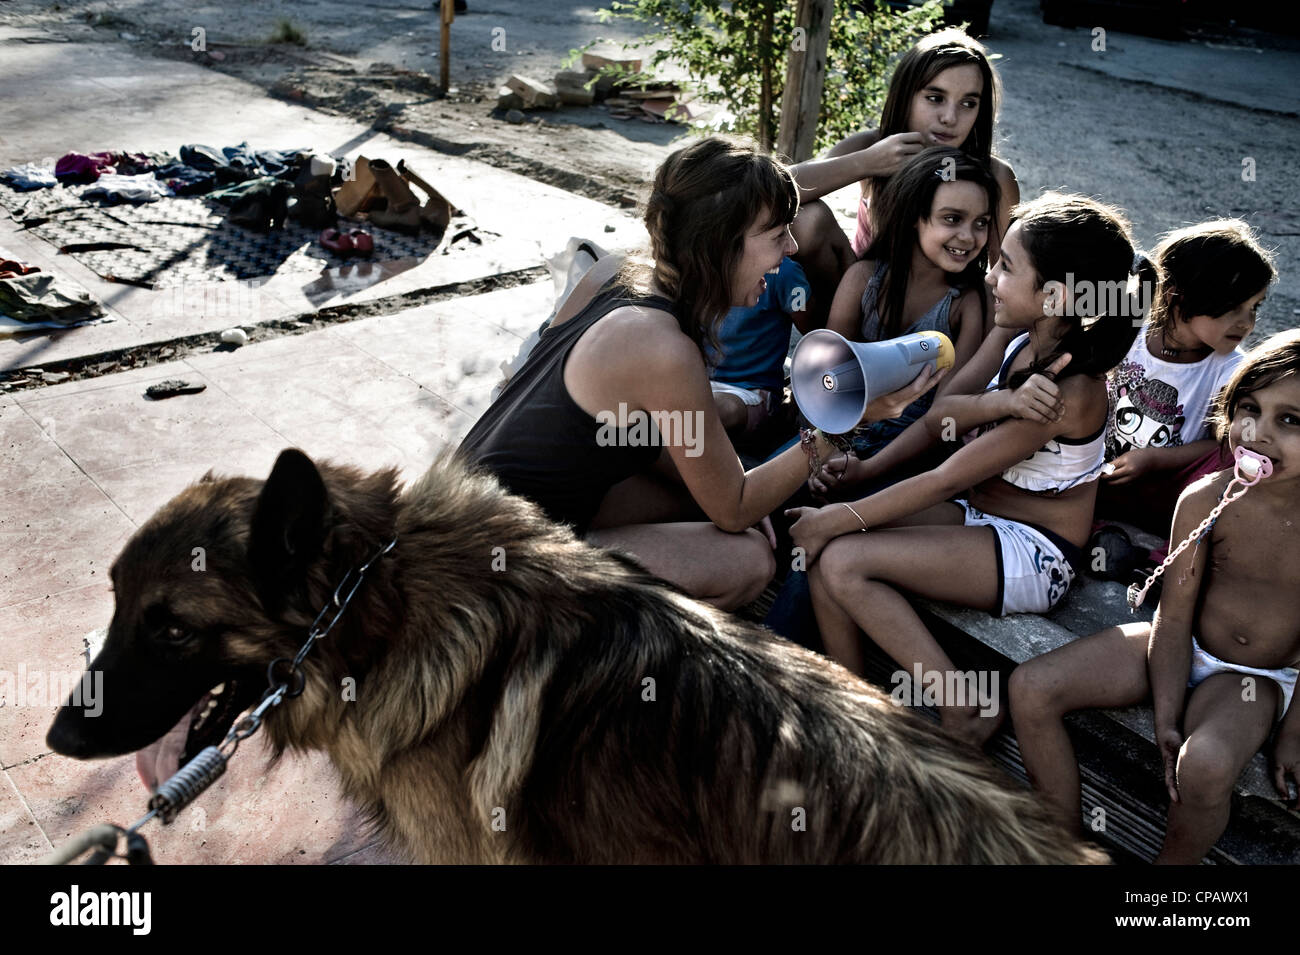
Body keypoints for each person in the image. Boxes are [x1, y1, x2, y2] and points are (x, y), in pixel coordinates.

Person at [458, 137, 941, 610]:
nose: (792, 248)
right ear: (720, 245)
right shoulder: (662, 347)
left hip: (467, 511)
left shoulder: (613, 272)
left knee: (698, 499)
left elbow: (631, 435)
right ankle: (567, 645)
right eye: (777, 236)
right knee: (746, 562)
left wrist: (730, 486)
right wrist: (847, 420)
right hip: (492, 568)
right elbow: (736, 509)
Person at [787, 193, 1150, 745]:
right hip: (979, 516)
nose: (990, 277)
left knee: (842, 558)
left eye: (1006, 267)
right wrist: (999, 403)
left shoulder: (1070, 391)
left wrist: (835, 518)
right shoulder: (1018, 340)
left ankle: (962, 706)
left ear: (1054, 295)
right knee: (830, 551)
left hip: (1035, 552)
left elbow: (948, 476)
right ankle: (855, 712)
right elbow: (943, 416)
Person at [1010, 330, 1300, 863]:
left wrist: (1293, 735)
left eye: (1291, 420)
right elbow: (1175, 612)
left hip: (1251, 679)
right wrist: (1167, 714)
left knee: (1204, 767)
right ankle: (1065, 848)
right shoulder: (1207, 498)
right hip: (1178, 643)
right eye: (1250, 409)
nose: (1257, 433)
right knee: (1031, 688)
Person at [788, 27, 1019, 324]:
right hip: (866, 307)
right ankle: (832, 346)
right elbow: (771, 189)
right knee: (805, 220)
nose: (950, 118)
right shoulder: (873, 146)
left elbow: (1006, 275)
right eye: (935, 98)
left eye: (968, 103)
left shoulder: (995, 175)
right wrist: (867, 162)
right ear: (906, 95)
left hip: (947, 321)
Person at [810, 147, 995, 494]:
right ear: (914, 216)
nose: (968, 237)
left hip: (911, 457)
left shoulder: (967, 303)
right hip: (838, 436)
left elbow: (944, 419)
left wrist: (867, 470)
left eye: (981, 223)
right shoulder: (864, 279)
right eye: (952, 219)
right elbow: (822, 380)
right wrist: (818, 457)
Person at [1097, 219, 1276, 536]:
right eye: (1232, 307)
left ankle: (1162, 549)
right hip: (1093, 472)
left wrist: (1155, 459)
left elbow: (1221, 443)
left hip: (1166, 492)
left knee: (1238, 457)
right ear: (1175, 295)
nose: (1246, 322)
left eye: (1254, 307)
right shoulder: (1128, 330)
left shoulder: (1231, 369)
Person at [707, 254, 812, 439]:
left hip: (750, 394)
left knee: (704, 410)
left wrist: (801, 393)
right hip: (698, 383)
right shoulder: (700, 263)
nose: (792, 246)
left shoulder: (787, 274)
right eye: (778, 238)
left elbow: (814, 332)